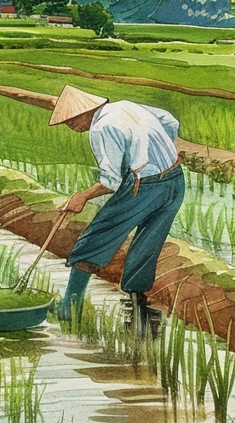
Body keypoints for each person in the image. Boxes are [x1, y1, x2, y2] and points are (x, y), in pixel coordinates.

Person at [48, 84, 184, 327]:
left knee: (95, 237)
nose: (71, 127)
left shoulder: (101, 128)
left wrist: (82, 196)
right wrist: (161, 150)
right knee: (147, 244)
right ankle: (139, 314)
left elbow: (110, 181)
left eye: (70, 121)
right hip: (175, 181)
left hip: (144, 187)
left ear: (85, 112)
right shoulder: (126, 106)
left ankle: (69, 307)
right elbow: (170, 120)